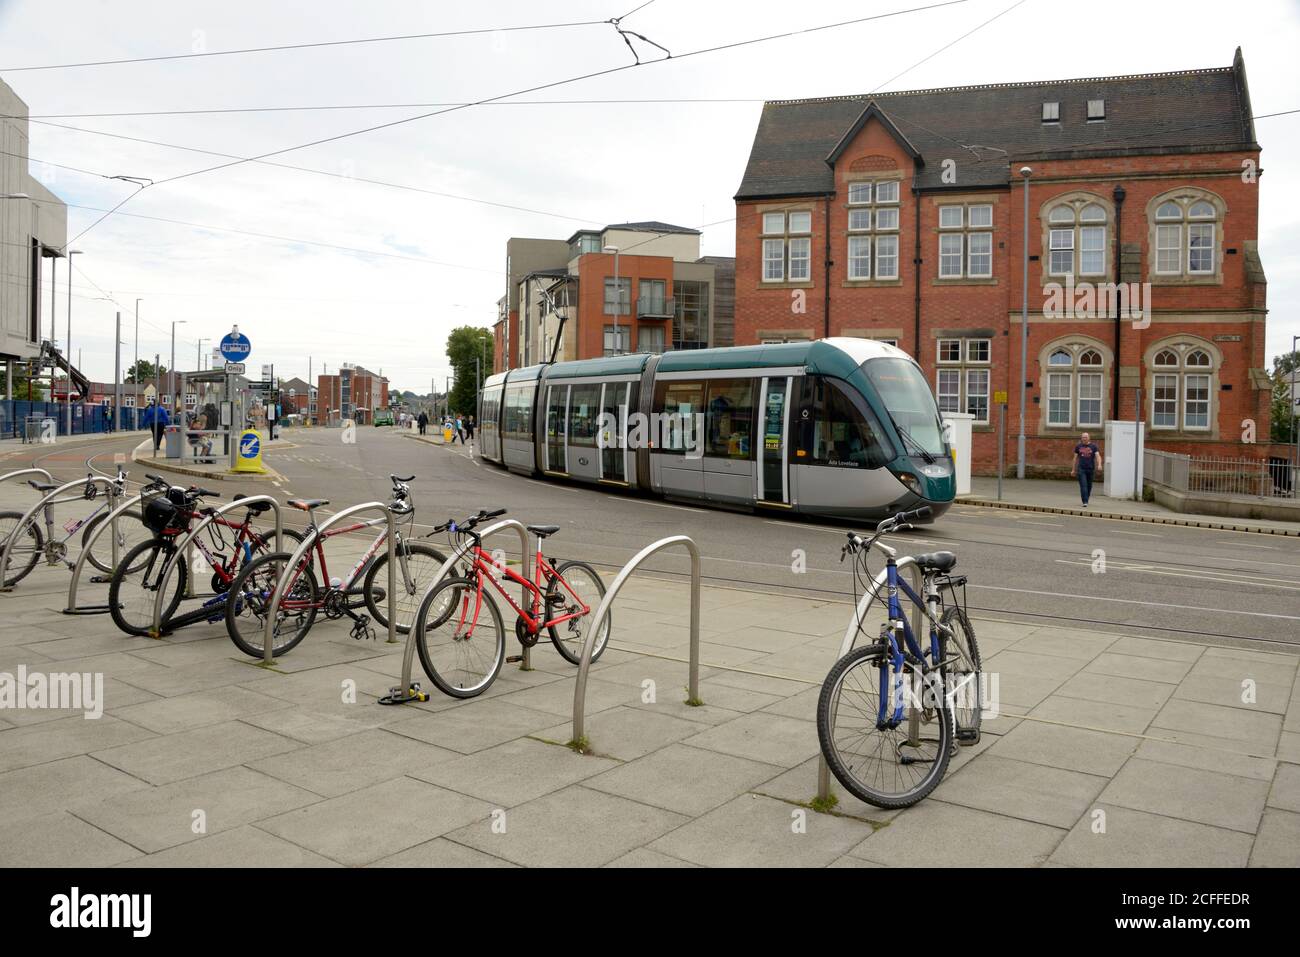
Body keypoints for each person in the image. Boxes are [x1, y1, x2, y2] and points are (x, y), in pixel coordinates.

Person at [1070, 431, 1103, 507]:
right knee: (1083, 485)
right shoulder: (1078, 446)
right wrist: (1073, 469)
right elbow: (1075, 459)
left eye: (1086, 437)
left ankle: (1086, 499)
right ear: (1081, 438)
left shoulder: (1094, 446)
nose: (1084, 439)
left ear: (1089, 438)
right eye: (1083, 437)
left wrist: (1099, 464)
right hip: (1081, 469)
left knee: (1089, 486)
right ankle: (1085, 501)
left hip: (1090, 469)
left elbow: (1098, 456)